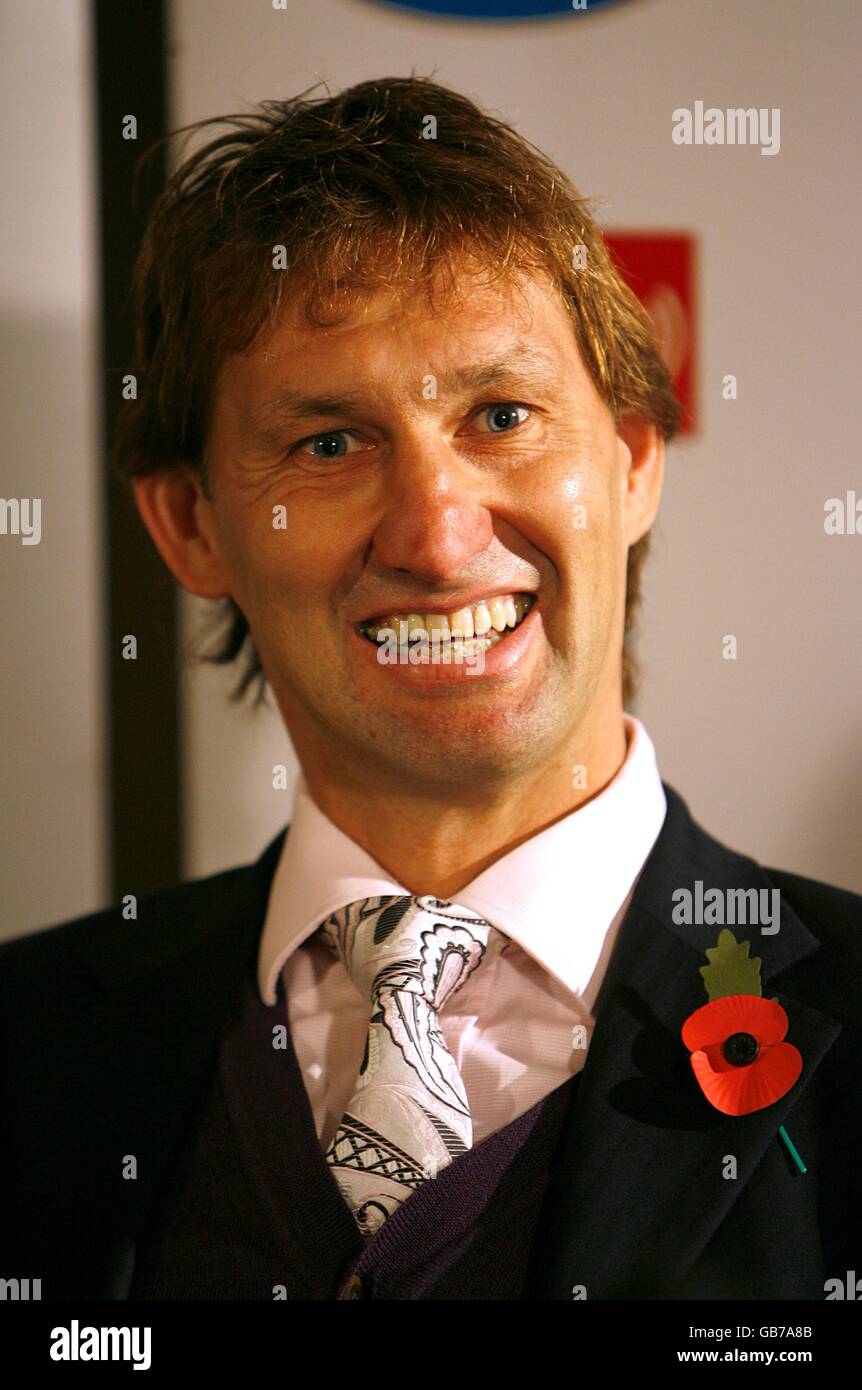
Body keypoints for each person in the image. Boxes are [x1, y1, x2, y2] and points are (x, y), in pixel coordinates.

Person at [1, 76, 859, 1303]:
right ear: (190, 524)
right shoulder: (25, 1045)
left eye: (501, 414)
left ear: (627, 467)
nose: (438, 536)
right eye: (330, 443)